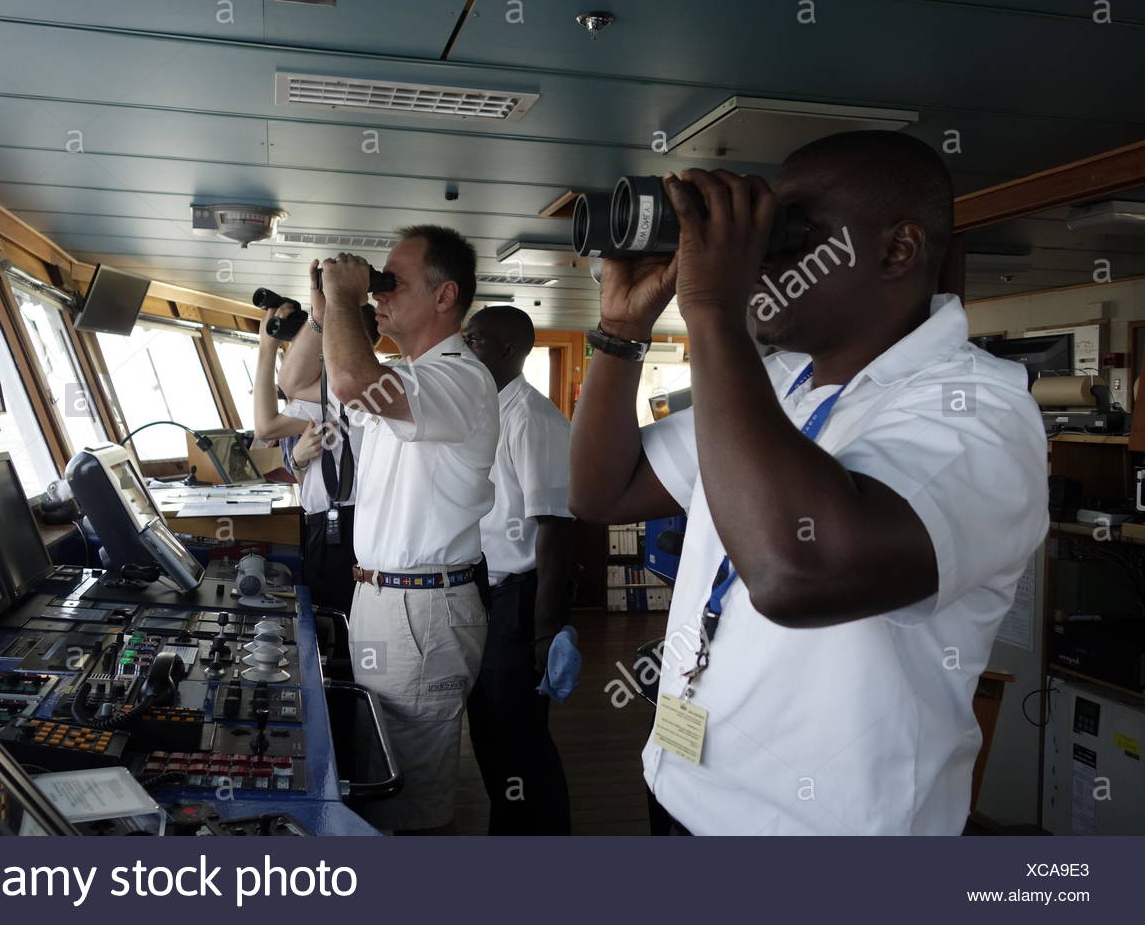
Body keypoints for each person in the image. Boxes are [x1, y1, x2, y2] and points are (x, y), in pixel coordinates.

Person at [569, 131, 1048, 835]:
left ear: (897, 250)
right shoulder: (777, 383)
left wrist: (711, 308)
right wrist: (620, 330)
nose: (764, 254)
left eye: (792, 230)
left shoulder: (980, 410)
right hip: (682, 787)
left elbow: (798, 573)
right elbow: (601, 493)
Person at [277, 225, 498, 833]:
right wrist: (325, 314)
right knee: (383, 769)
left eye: (391, 283)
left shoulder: (459, 378)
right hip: (382, 598)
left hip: (422, 607)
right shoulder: (404, 378)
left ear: (445, 295)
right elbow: (298, 385)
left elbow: (348, 380)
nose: (380, 294)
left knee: (412, 799)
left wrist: (350, 302)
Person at [462, 304, 573, 835]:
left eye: (476, 340)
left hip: (518, 601)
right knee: (490, 729)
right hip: (485, 594)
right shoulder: (489, 411)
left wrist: (545, 631)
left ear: (510, 350)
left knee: (518, 736)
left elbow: (554, 527)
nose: (465, 348)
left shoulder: (532, 417)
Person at [253, 288, 381, 616]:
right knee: (329, 615)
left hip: (348, 523)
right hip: (326, 523)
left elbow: (266, 426)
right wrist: (297, 458)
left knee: (339, 615)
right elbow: (273, 435)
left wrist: (267, 351)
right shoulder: (325, 394)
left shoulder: (352, 390)